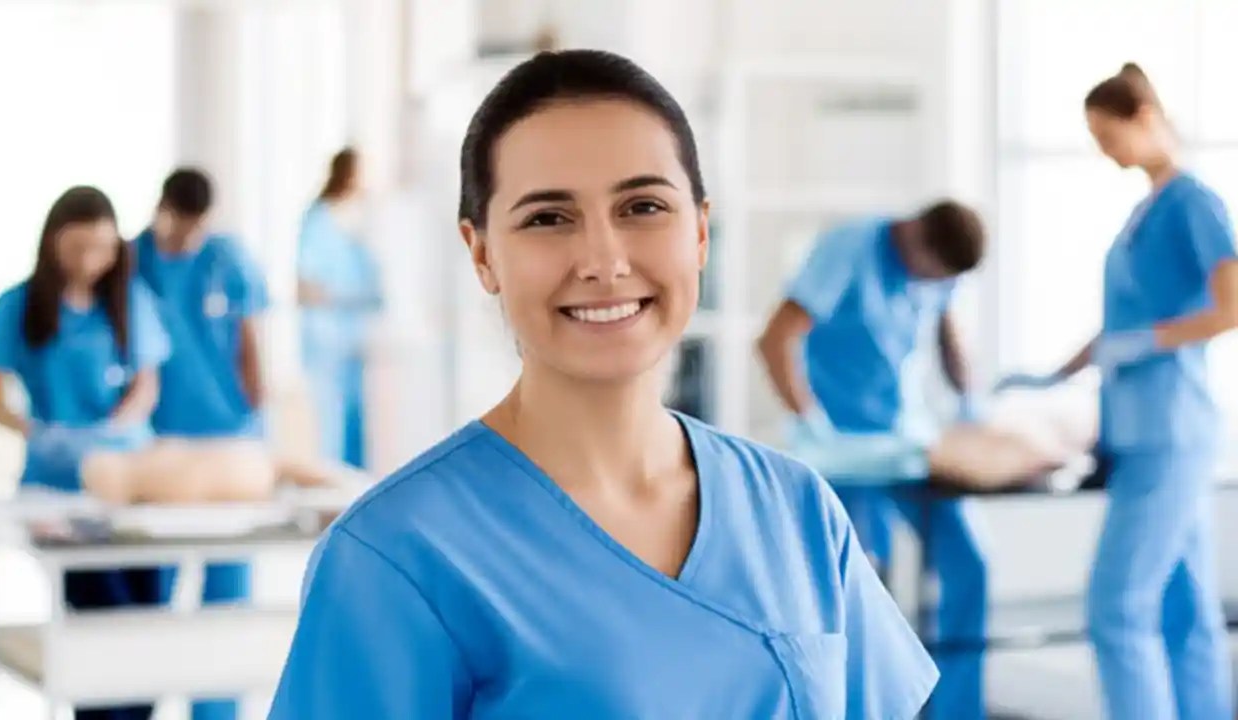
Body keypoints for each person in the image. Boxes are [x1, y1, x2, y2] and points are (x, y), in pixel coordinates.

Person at [268, 49, 937, 719]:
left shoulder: (796, 513)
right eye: (548, 218)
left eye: (643, 206)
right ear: (482, 254)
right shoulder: (397, 557)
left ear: (700, 232)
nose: (604, 261)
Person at [1001, 63, 1238, 719]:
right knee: (1182, 609)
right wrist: (1057, 373)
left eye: (1108, 135)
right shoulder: (1148, 208)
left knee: (1118, 606)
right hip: (1141, 432)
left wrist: (1150, 342)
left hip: (1171, 431)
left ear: (1144, 118)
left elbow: (1231, 305)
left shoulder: (1195, 202)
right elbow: (1120, 325)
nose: (1104, 151)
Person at [755, 202, 989, 719]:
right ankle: (863, 709)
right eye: (934, 274)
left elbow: (948, 335)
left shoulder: (938, 268)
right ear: (917, 240)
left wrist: (970, 402)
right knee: (863, 586)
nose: (932, 285)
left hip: (906, 444)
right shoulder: (849, 248)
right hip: (845, 451)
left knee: (969, 563)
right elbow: (775, 339)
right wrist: (811, 422)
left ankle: (954, 712)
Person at [0, 186, 171, 720]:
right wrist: (40, 431)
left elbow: (146, 388)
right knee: (97, 626)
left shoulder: (131, 302)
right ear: (53, 243)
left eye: (103, 248)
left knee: (148, 625)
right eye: (78, 247)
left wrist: (111, 432)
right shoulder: (18, 305)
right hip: (57, 490)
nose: (90, 261)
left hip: (128, 485)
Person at [131, 168, 270, 720]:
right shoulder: (133, 260)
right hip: (159, 444)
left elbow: (251, 336)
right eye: (180, 225)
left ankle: (216, 714)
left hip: (228, 438)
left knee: (226, 596)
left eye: (197, 228)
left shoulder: (228, 258)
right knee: (153, 587)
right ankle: (141, 701)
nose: (187, 237)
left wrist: (257, 406)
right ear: (161, 209)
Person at [297, 147, 384, 468]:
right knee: (330, 424)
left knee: (354, 422)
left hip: (352, 338)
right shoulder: (318, 220)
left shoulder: (356, 222)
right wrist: (348, 297)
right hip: (326, 338)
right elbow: (306, 288)